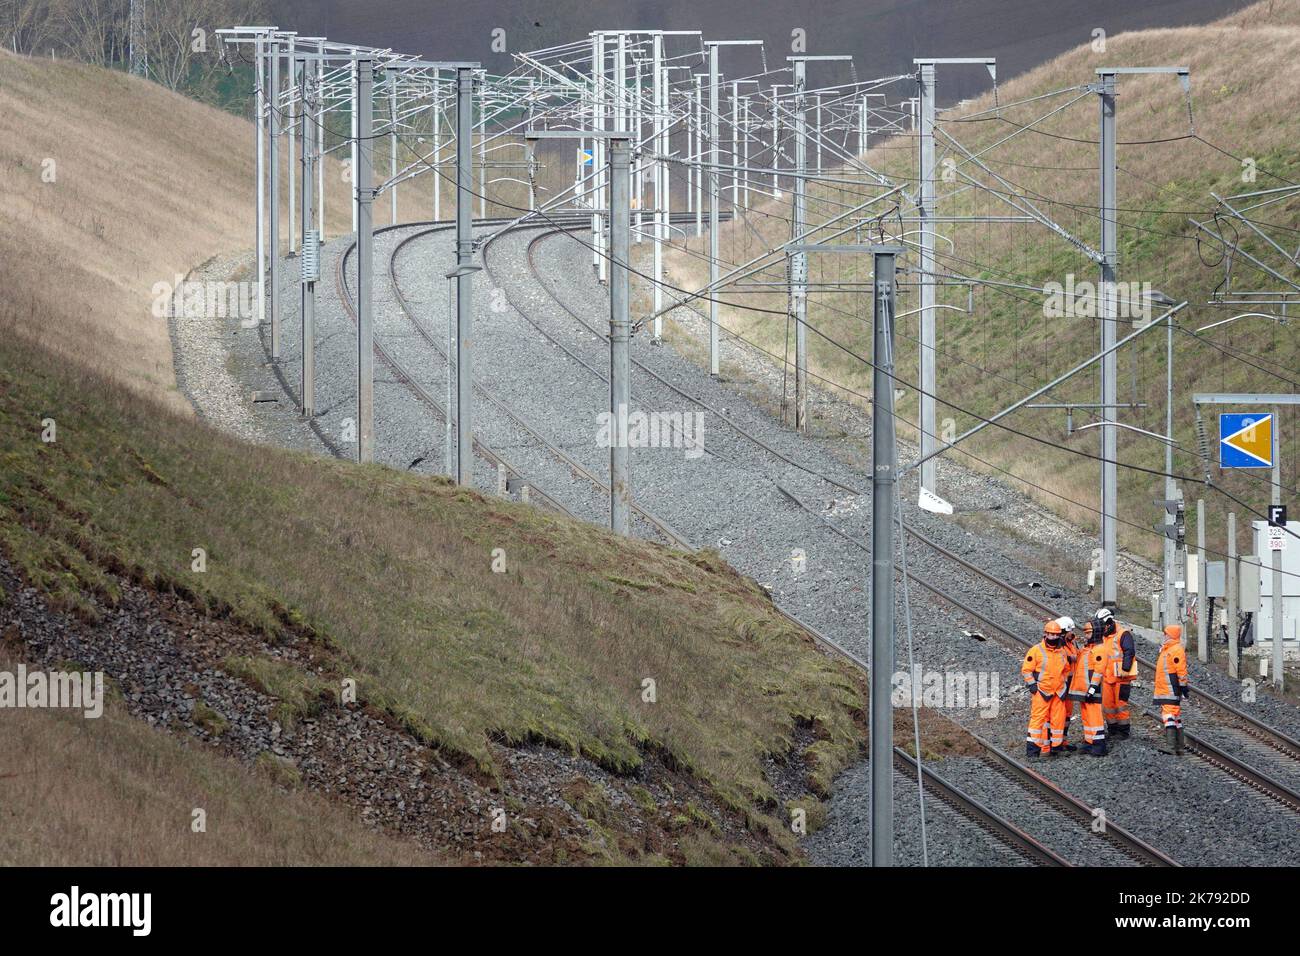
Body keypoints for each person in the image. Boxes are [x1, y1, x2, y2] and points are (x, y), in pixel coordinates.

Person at [1022, 620, 1072, 759]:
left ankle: (1055, 748)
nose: (1053, 637)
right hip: (1042, 691)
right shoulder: (1036, 650)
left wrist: (1064, 686)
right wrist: (1032, 685)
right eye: (1051, 634)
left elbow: (1066, 670)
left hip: (1058, 693)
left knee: (1058, 721)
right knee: (1037, 721)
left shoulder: (1062, 652)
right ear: (1045, 634)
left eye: (1056, 635)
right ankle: (1033, 751)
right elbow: (1026, 670)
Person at [1066, 620, 1108, 756]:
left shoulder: (1099, 649)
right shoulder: (1087, 649)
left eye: (1089, 633)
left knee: (1094, 717)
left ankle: (1098, 745)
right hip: (1084, 690)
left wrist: (1092, 688)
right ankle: (1090, 741)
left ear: (1096, 632)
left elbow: (1098, 670)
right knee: (1087, 716)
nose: (1086, 635)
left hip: (1091, 690)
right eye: (1086, 633)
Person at [1095, 607, 1137, 740]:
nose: (1103, 628)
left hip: (1121, 678)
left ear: (1109, 622)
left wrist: (1125, 669)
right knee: (1108, 706)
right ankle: (1113, 730)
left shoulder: (1123, 634)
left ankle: (1123, 731)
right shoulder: (1105, 636)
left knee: (1121, 706)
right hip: (1108, 678)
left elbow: (1129, 651)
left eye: (1104, 625)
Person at [1153, 624, 1191, 755]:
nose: (1164, 636)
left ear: (1171, 635)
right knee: (1174, 716)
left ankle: (1172, 746)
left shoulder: (1175, 650)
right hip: (1167, 688)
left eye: (1166, 633)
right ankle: (1179, 746)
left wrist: (1183, 686)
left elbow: (1181, 670)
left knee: (1169, 715)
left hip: (1170, 688)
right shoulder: (1168, 649)